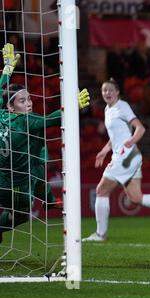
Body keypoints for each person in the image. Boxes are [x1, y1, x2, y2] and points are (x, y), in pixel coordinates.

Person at [0, 43, 91, 243]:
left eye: (29, 98)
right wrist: (73, 105)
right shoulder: (27, 121)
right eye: (22, 101)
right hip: (19, 190)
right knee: (21, 214)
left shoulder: (1, 113)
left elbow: (0, 89)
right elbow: (52, 119)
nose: (29, 103)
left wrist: (8, 67)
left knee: (39, 154)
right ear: (11, 106)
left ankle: (48, 200)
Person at [82, 79, 150, 242]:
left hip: (126, 156)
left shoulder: (122, 106)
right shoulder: (108, 109)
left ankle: (101, 234)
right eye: (104, 90)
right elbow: (117, 136)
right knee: (136, 198)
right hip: (130, 156)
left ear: (117, 92)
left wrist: (131, 142)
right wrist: (105, 150)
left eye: (111, 90)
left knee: (101, 190)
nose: (107, 93)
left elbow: (140, 128)